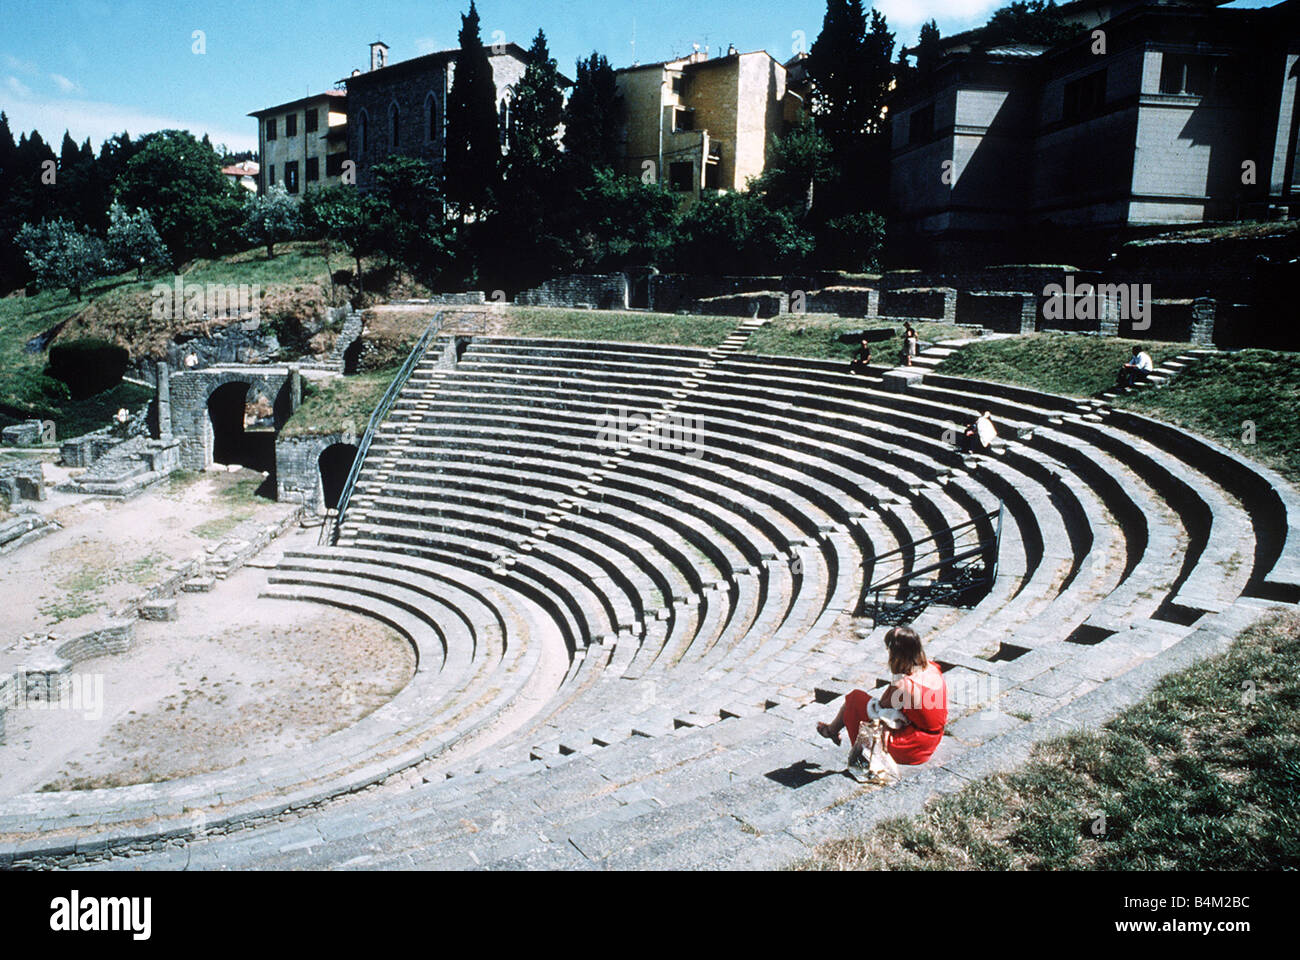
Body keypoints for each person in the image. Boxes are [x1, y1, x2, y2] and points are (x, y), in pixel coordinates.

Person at [816, 625, 948, 781]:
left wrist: (896, 677)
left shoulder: (903, 685)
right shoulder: (932, 668)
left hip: (911, 746)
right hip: (931, 741)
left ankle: (857, 752)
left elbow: (881, 707)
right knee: (855, 702)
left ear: (896, 654)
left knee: (854, 699)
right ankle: (831, 730)